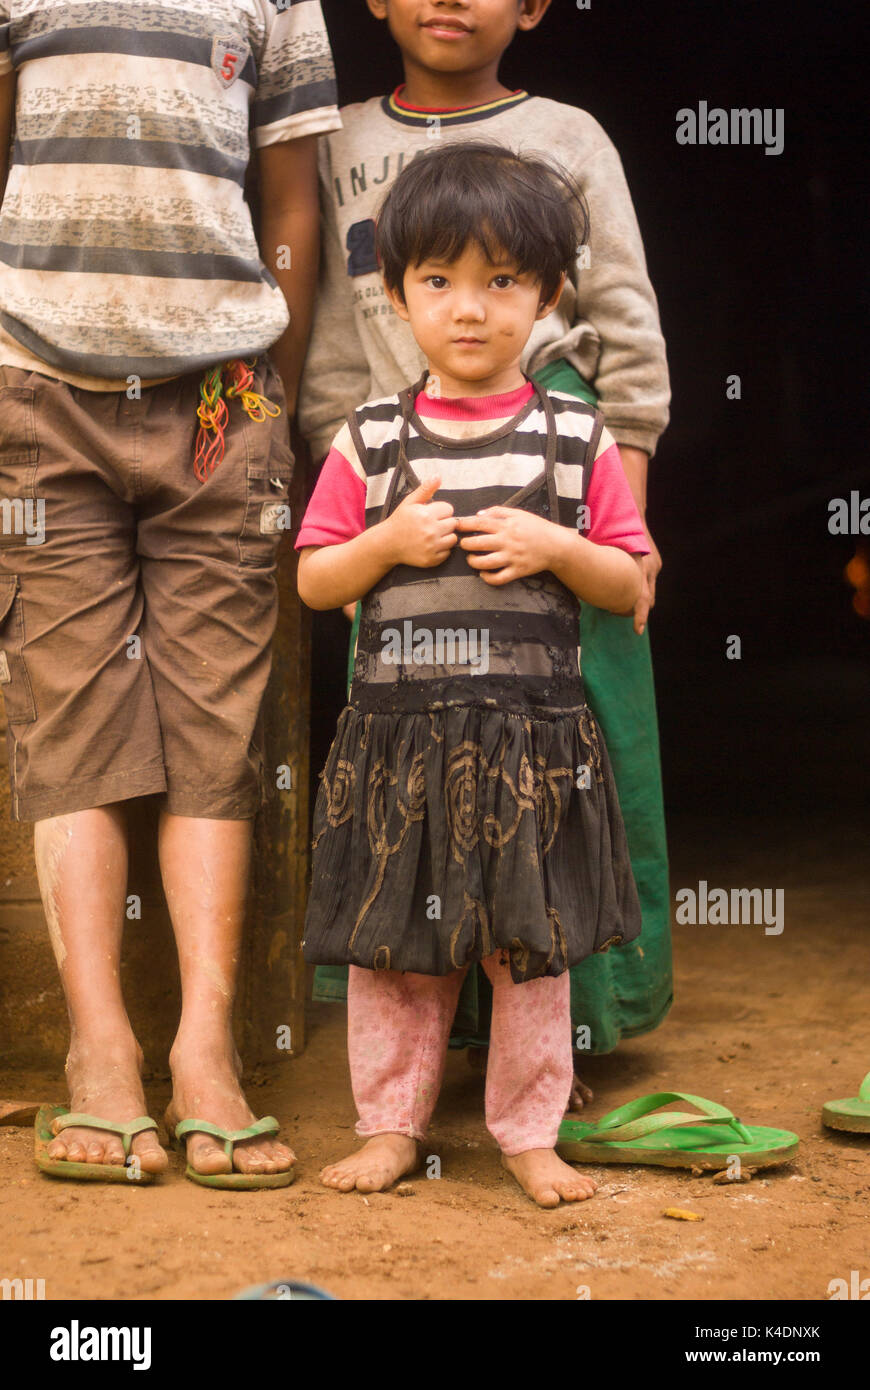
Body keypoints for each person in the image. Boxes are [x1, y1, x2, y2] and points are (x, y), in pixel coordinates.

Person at [299, 0, 672, 1100]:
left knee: (571, 744)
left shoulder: (570, 138)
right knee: (417, 757)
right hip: (402, 461)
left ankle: (579, 1029)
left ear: (538, 4)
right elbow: (328, 344)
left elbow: (629, 332)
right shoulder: (339, 143)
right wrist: (368, 512)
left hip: (550, 454)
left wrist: (613, 535)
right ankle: (425, 1055)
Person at [0, 0, 340, 1183]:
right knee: (72, 715)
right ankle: (100, 1054)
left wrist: (273, 394)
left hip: (221, 400)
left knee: (215, 725)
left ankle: (207, 1054)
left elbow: (292, 201)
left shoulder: (280, 6)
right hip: (43, 392)